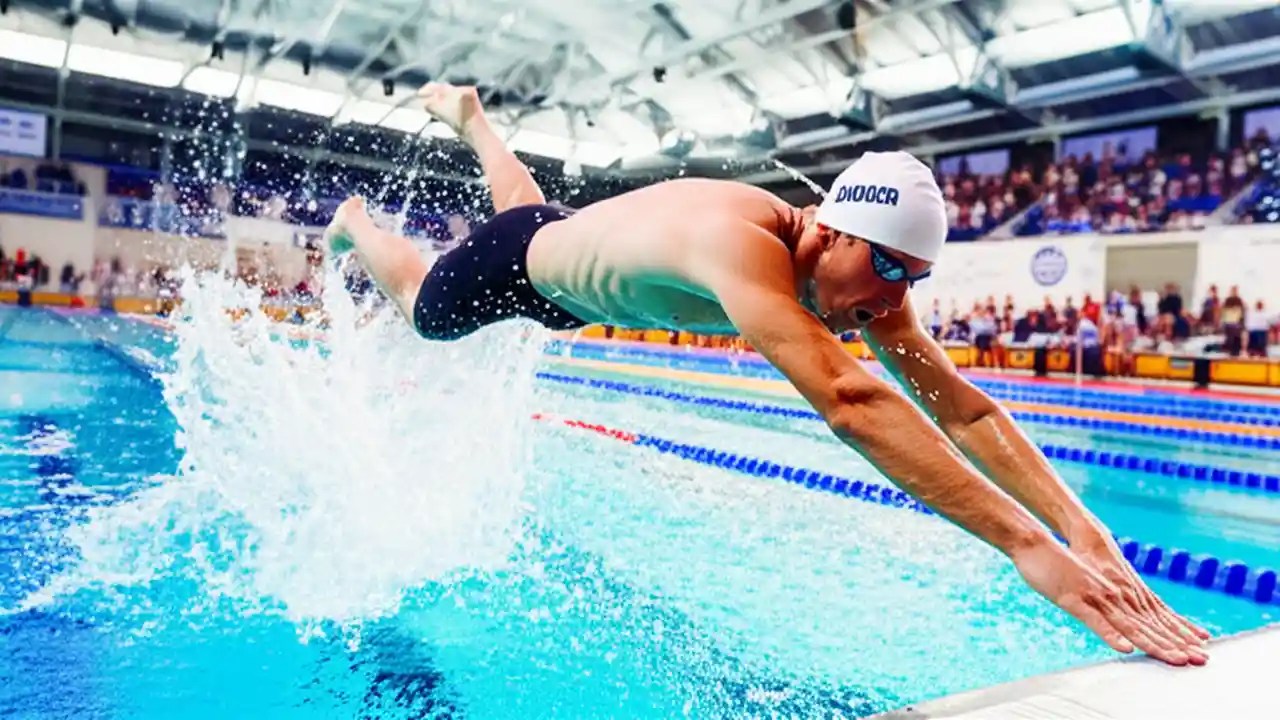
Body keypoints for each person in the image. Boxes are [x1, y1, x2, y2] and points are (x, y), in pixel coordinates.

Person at [326, 82, 1209, 666]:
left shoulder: (865, 278)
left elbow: (966, 414)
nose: (896, 302)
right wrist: (1029, 548)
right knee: (426, 311)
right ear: (831, 230)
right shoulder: (739, 243)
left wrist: (1081, 527)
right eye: (891, 271)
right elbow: (851, 400)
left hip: (564, 248)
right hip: (517, 268)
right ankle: (356, 222)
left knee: (530, 211)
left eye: (916, 280)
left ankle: (474, 119)